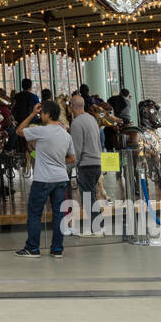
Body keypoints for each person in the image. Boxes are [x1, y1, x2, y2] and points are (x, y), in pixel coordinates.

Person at [13, 100, 74, 259]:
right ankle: (57, 249)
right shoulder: (66, 134)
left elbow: (19, 131)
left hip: (43, 179)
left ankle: (33, 248)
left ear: (47, 114)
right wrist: (59, 160)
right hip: (61, 178)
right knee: (59, 214)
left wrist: (32, 114)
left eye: (42, 112)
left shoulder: (41, 131)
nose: (40, 115)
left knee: (34, 213)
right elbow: (72, 157)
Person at [68, 95, 103, 235]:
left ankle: (97, 227)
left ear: (72, 106)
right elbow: (99, 142)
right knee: (92, 196)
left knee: (88, 198)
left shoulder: (76, 123)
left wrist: (69, 167)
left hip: (86, 165)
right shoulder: (92, 119)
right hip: (97, 163)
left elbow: (77, 149)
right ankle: (98, 225)